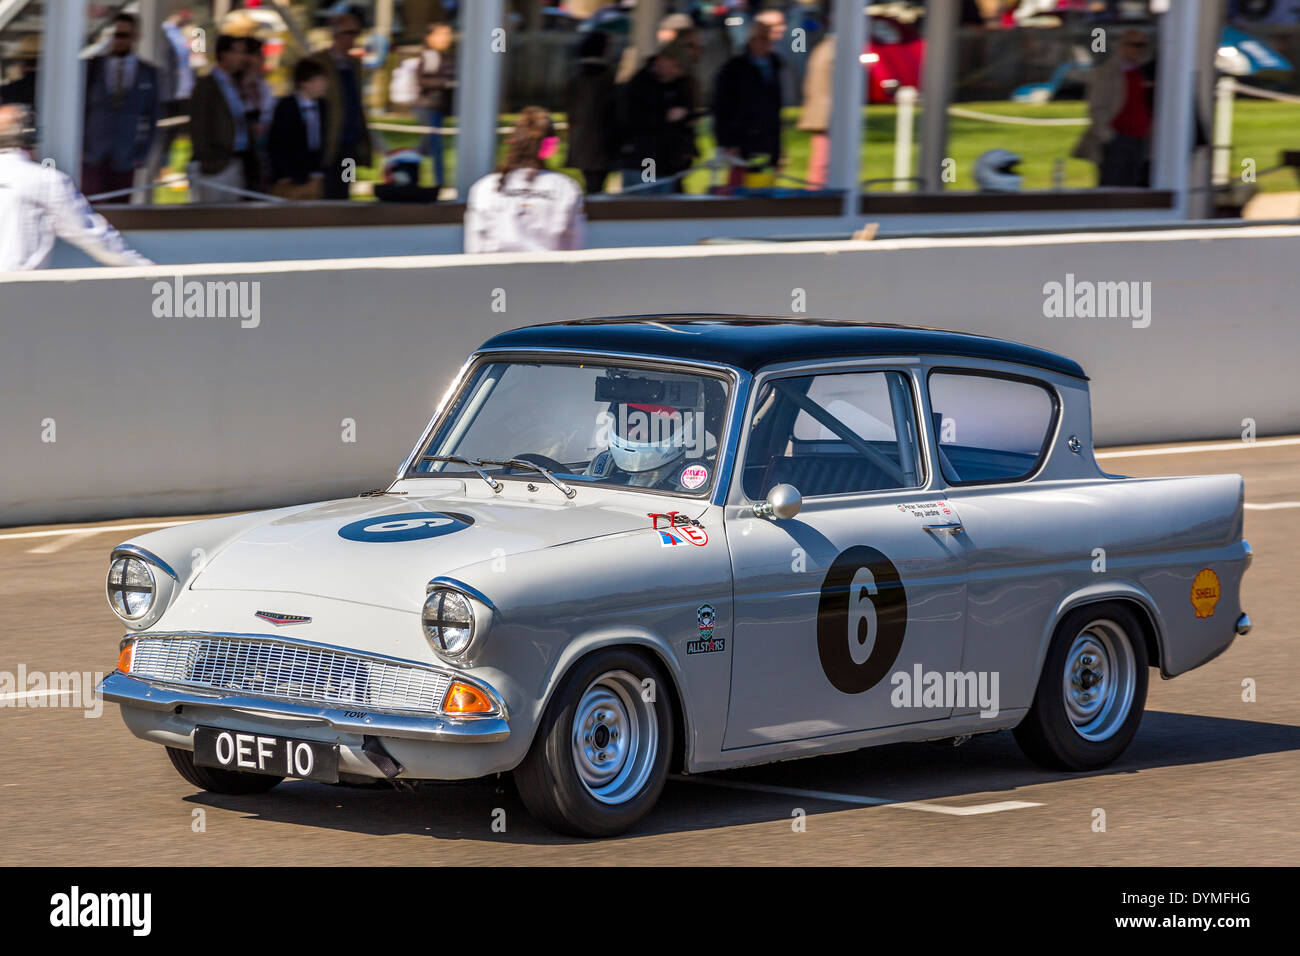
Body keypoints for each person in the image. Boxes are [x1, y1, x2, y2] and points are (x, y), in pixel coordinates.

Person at [0, 105, 153, 270]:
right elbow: (94, 237)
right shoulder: (45, 180)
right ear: (31, 140)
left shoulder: (42, 180)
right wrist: (147, 271)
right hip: (17, 291)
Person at [463, 106, 584, 253]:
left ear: (513, 141)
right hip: (550, 272)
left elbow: (475, 246)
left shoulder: (484, 187)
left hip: (494, 273)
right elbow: (573, 246)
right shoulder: (566, 187)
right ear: (551, 145)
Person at [81, 13, 160, 199]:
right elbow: (80, 109)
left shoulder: (147, 73)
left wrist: (143, 152)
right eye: (115, 35)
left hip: (126, 155)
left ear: (134, 37)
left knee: (121, 209)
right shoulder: (92, 68)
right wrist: (81, 146)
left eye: (124, 35)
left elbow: (153, 115)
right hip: (93, 154)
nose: (119, 40)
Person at [1073, 28, 1155, 188]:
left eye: (1143, 45)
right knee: (1113, 186)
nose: (1139, 50)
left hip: (1141, 141)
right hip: (1117, 139)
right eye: (1135, 45)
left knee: (1136, 185)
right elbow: (1096, 106)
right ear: (1122, 46)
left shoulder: (1144, 73)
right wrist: (1106, 135)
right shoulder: (1108, 73)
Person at [308, 5, 373, 200]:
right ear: (336, 34)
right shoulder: (319, 62)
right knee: (325, 191)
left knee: (346, 187)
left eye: (356, 32)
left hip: (350, 142)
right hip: (328, 141)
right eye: (349, 32)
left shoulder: (354, 65)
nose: (353, 37)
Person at [712, 17, 785, 185]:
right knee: (738, 191)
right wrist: (727, 141)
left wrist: (777, 148)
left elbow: (774, 108)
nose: (762, 44)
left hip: (766, 140)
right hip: (740, 141)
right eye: (758, 39)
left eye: (766, 39)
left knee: (763, 190)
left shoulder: (775, 66)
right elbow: (722, 106)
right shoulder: (734, 68)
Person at [619, 42, 696, 194]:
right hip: (647, 157)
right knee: (647, 198)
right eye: (675, 66)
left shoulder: (678, 85)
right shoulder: (640, 85)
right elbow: (631, 120)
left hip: (666, 160)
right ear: (663, 61)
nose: (676, 72)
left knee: (660, 201)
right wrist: (666, 117)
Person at [188, 34, 250, 203]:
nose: (241, 58)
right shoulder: (206, 85)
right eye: (237, 53)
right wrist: (207, 159)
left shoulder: (237, 83)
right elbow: (198, 125)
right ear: (224, 54)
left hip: (236, 159)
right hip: (215, 164)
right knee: (210, 216)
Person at [566, 30, 618, 195]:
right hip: (601, 140)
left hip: (583, 139)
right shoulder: (607, 77)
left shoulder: (577, 76)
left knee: (592, 184)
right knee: (595, 186)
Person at [267, 59, 329, 200]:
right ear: (305, 83)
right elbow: (277, 143)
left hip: (317, 175)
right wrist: (283, 174)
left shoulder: (324, 107)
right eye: (320, 81)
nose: (324, 85)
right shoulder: (286, 107)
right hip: (291, 177)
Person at [415, 21, 456, 190]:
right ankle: (439, 182)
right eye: (441, 34)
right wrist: (445, 83)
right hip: (429, 106)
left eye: (448, 34)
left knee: (428, 145)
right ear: (430, 37)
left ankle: (405, 167)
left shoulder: (445, 56)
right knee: (434, 145)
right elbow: (421, 79)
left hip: (439, 107)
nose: (447, 38)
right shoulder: (430, 56)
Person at [797, 31, 835, 189]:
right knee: (823, 160)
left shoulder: (824, 48)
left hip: (821, 109)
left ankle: (816, 189)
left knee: (822, 158)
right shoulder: (835, 51)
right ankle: (816, 191)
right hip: (826, 111)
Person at [240, 36, 276, 193]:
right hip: (242, 155)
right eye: (257, 55)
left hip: (263, 154)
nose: (262, 59)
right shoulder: (233, 87)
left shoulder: (263, 86)